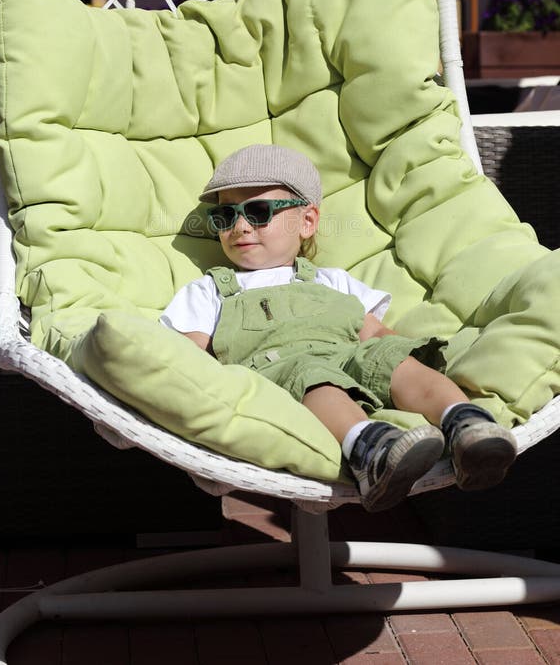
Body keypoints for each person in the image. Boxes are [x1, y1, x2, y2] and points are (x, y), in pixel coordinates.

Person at [161, 144, 517, 512]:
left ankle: (468, 426)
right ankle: (371, 451)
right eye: (225, 216)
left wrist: (402, 356)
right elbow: (190, 359)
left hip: (348, 356)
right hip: (282, 373)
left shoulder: (332, 281)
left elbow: (374, 333)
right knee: (312, 375)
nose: (240, 226)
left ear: (307, 222)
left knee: (391, 358)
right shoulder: (212, 289)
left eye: (257, 211)